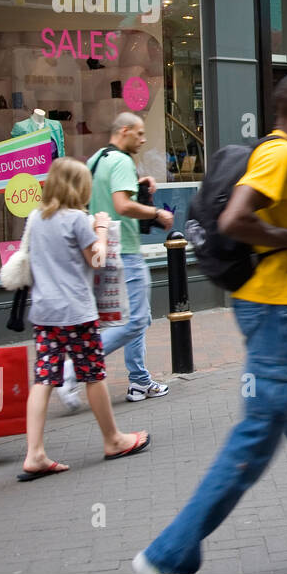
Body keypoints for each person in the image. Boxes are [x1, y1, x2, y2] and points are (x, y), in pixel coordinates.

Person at [135, 72, 287, 574]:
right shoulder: (281, 154)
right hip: (276, 317)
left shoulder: (282, 152)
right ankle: (168, 554)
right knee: (256, 438)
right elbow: (233, 220)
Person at [18, 157, 149, 480]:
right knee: (93, 374)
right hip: (76, 312)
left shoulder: (36, 218)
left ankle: (34, 453)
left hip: (44, 313)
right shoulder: (77, 219)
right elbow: (98, 259)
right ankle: (113, 439)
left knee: (44, 379)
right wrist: (101, 229)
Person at [70, 112, 174, 410]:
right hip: (125, 249)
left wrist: (138, 183)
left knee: (131, 319)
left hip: (104, 249)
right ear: (125, 131)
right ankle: (73, 369)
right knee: (138, 320)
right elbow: (122, 205)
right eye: (139, 134)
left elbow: (98, 198)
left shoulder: (97, 160)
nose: (143, 140)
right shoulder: (121, 161)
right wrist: (157, 213)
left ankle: (140, 380)